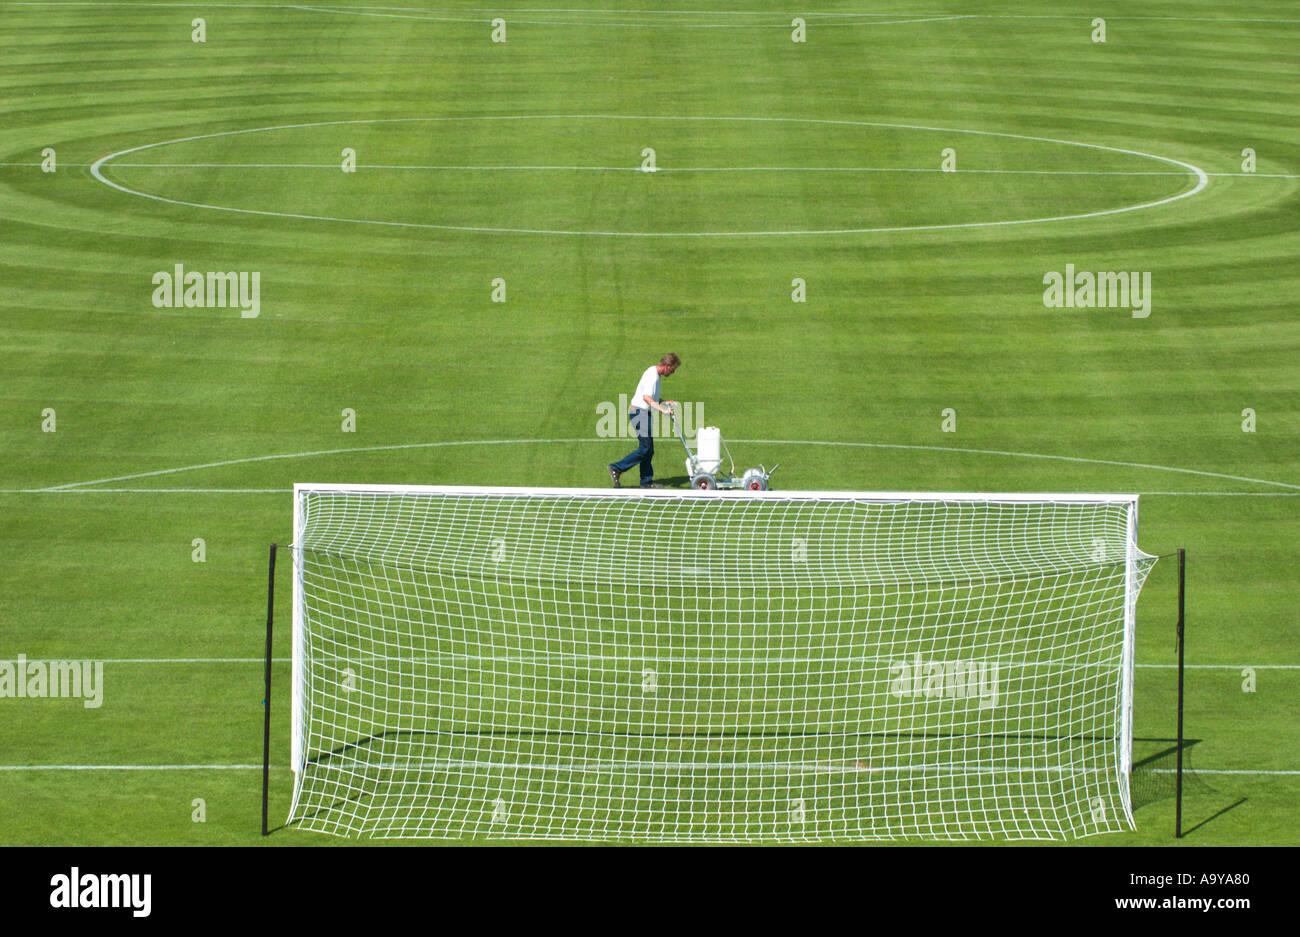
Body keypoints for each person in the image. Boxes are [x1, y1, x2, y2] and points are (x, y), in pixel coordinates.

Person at [608, 354, 680, 488]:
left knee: (649, 449)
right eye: (673, 369)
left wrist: (664, 402)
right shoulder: (653, 377)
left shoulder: (654, 372)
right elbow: (647, 398)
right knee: (645, 448)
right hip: (639, 413)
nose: (673, 372)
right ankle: (616, 468)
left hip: (642, 413)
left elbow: (653, 397)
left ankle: (646, 482)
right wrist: (663, 410)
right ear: (667, 366)